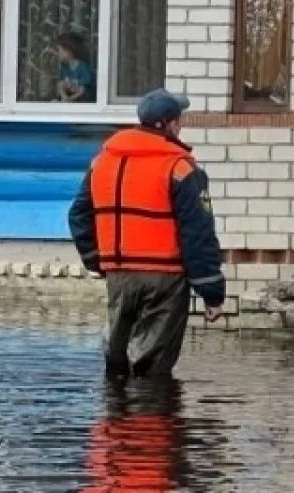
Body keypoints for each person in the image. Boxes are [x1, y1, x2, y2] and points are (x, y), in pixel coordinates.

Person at [68, 87, 226, 378]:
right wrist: (212, 293)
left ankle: (116, 419)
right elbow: (198, 234)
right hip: (163, 279)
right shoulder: (179, 168)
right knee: (151, 366)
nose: (181, 126)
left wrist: (97, 261)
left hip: (119, 274)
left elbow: (78, 216)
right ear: (167, 124)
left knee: (117, 362)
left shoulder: (102, 162)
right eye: (178, 121)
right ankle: (149, 420)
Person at [56, 31, 95, 103]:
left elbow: (82, 90)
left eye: (59, 50)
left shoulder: (83, 68)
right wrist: (64, 97)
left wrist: (70, 99)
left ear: (69, 51)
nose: (58, 53)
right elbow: (60, 85)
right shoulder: (64, 68)